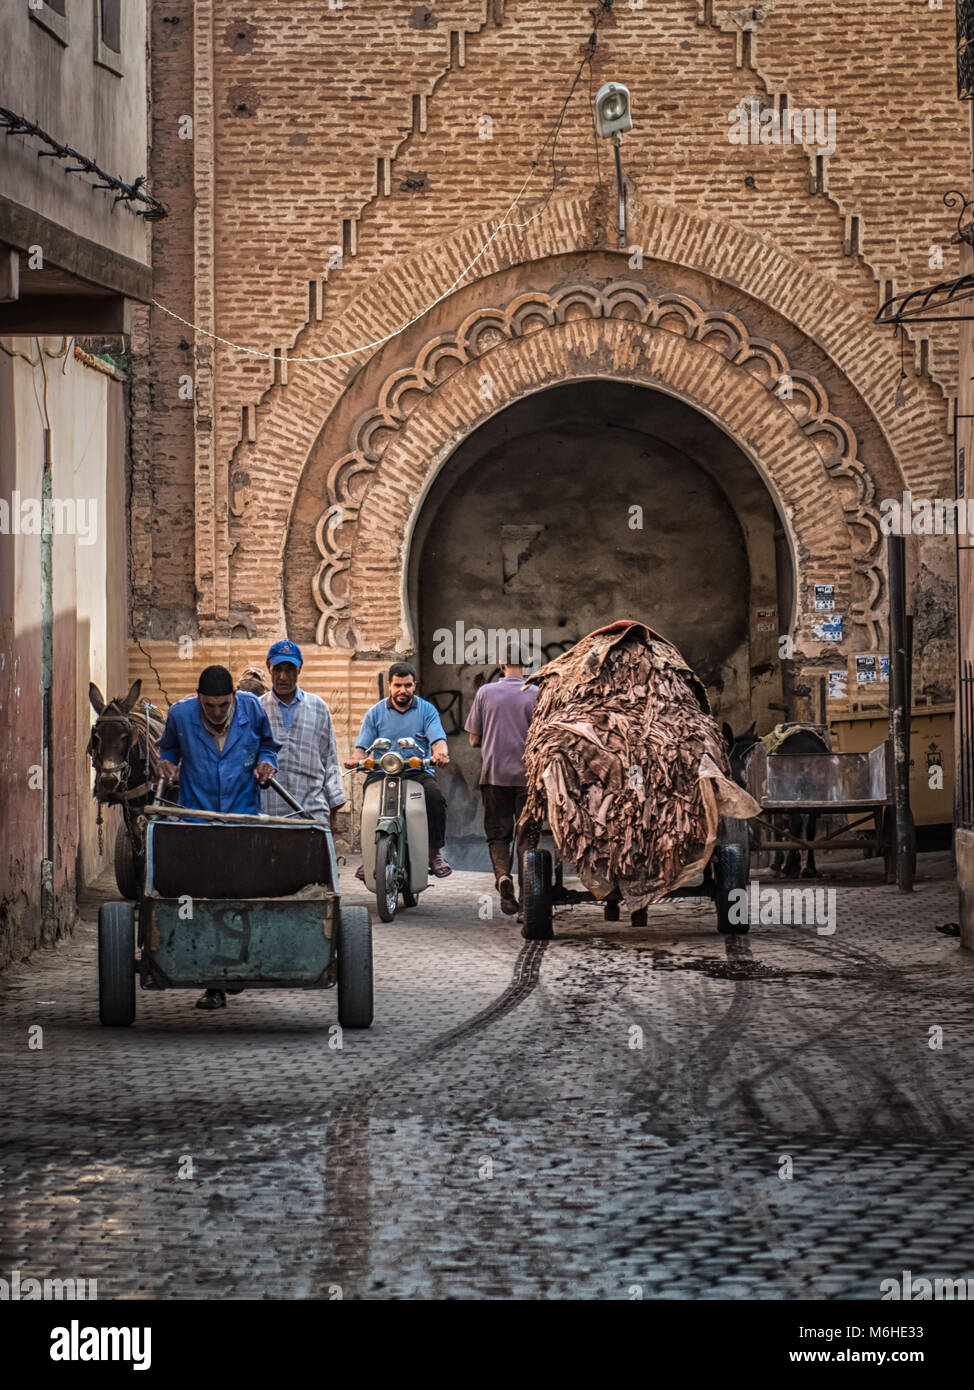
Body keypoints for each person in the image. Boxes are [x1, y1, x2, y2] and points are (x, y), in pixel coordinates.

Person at [158, 664, 280, 1010]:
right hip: (198, 824)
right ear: (198, 700)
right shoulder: (181, 715)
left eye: (222, 706)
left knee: (240, 894)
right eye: (208, 706)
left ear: (233, 698)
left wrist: (266, 763)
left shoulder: (252, 708)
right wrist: (165, 763)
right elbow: (167, 748)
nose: (215, 713)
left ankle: (240, 965)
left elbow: (268, 746)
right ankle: (215, 983)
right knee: (205, 898)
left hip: (243, 820)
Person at [345, 661, 452, 878]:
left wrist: (440, 753)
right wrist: (355, 759)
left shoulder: (427, 710)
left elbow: (438, 738)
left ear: (415, 685)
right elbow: (362, 746)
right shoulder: (375, 712)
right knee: (369, 806)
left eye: (408, 685)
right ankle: (371, 855)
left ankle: (434, 854)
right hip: (381, 770)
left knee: (435, 798)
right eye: (398, 685)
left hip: (416, 770)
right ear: (389, 686)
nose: (403, 690)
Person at [465, 647, 538, 915]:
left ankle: (503, 879)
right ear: (526, 664)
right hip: (528, 778)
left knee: (498, 835)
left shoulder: (486, 692)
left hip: (494, 775)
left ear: (501, 663)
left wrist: (494, 740)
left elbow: (473, 739)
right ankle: (528, 900)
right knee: (526, 836)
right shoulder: (535, 693)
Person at [259, 639, 345, 832]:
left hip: (311, 809)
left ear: (299, 669)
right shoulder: (257, 708)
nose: (283, 677)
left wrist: (333, 809)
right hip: (268, 810)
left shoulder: (318, 706)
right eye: (277, 669)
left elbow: (329, 758)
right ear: (268, 667)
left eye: (289, 669)